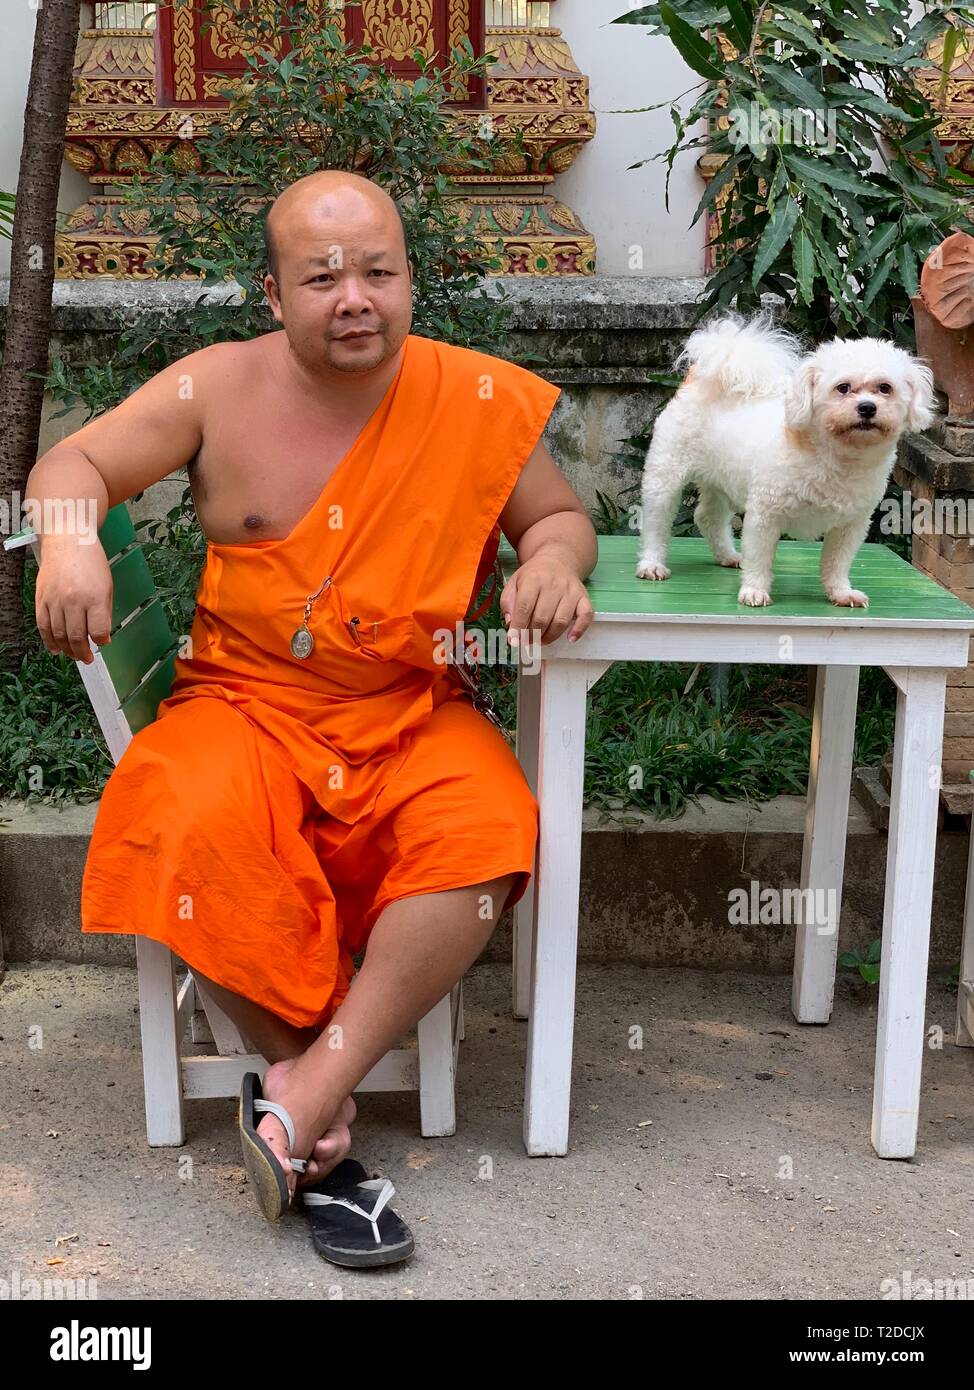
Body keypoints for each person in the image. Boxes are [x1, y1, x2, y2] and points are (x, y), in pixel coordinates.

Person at [26, 170, 597, 1242]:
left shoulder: (470, 395)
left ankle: (298, 1096)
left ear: (408, 282)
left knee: (485, 826)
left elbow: (557, 515)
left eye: (377, 272)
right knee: (176, 812)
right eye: (322, 276)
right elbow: (76, 460)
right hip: (245, 705)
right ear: (272, 293)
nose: (354, 298)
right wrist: (66, 533)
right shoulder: (216, 388)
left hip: (410, 710)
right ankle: (322, 1098)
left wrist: (554, 564)